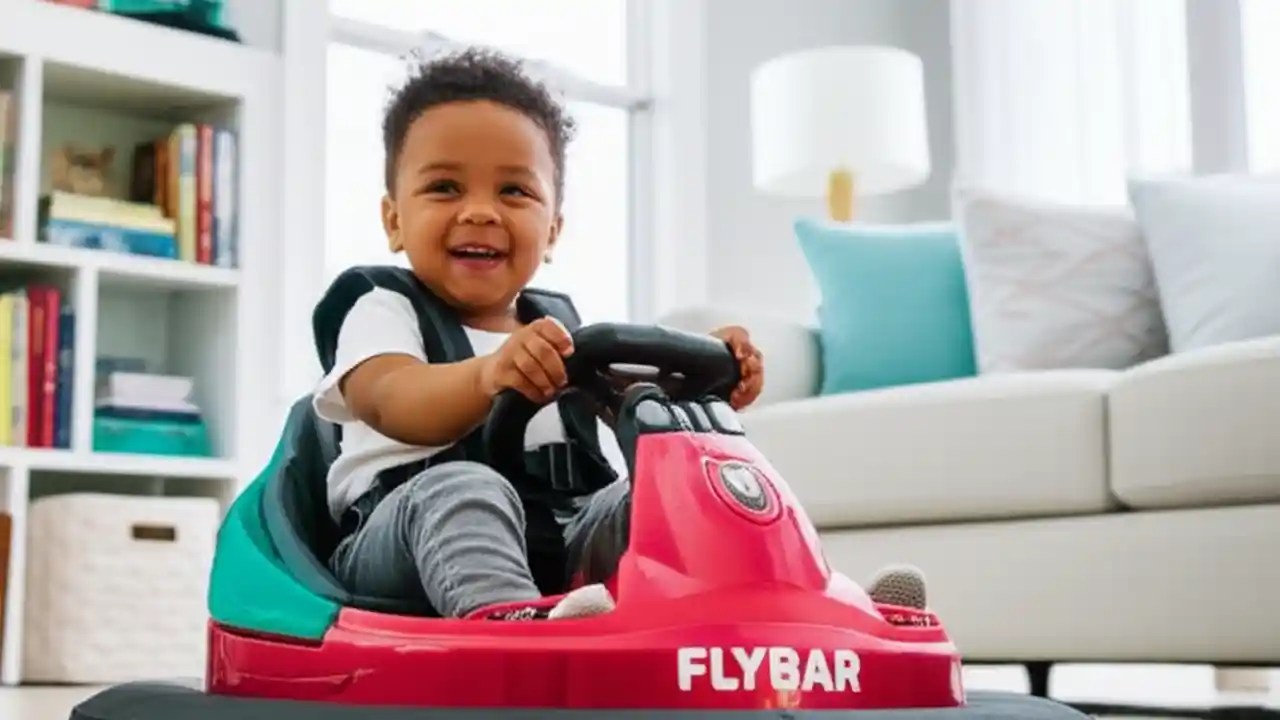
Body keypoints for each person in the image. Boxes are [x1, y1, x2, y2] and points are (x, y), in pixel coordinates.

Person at [312, 47, 927, 621]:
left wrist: (697, 387)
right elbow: (391, 397)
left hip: (554, 542)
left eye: (514, 191)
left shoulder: (559, 328)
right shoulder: (381, 306)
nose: (480, 210)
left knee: (664, 494)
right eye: (444, 187)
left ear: (552, 230)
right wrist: (486, 373)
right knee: (461, 486)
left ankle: (791, 605)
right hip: (401, 548)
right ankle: (513, 631)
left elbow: (627, 399)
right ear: (394, 219)